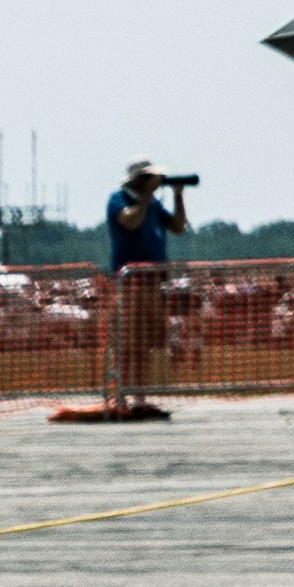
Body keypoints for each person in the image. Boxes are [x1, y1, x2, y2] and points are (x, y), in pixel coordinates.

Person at [91, 162, 190, 417]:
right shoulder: (118, 199)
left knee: (145, 342)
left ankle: (140, 396)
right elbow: (130, 221)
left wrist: (178, 196)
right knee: (128, 341)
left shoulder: (155, 204)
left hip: (153, 281)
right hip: (130, 282)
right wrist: (147, 196)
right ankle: (122, 395)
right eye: (148, 177)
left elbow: (178, 227)